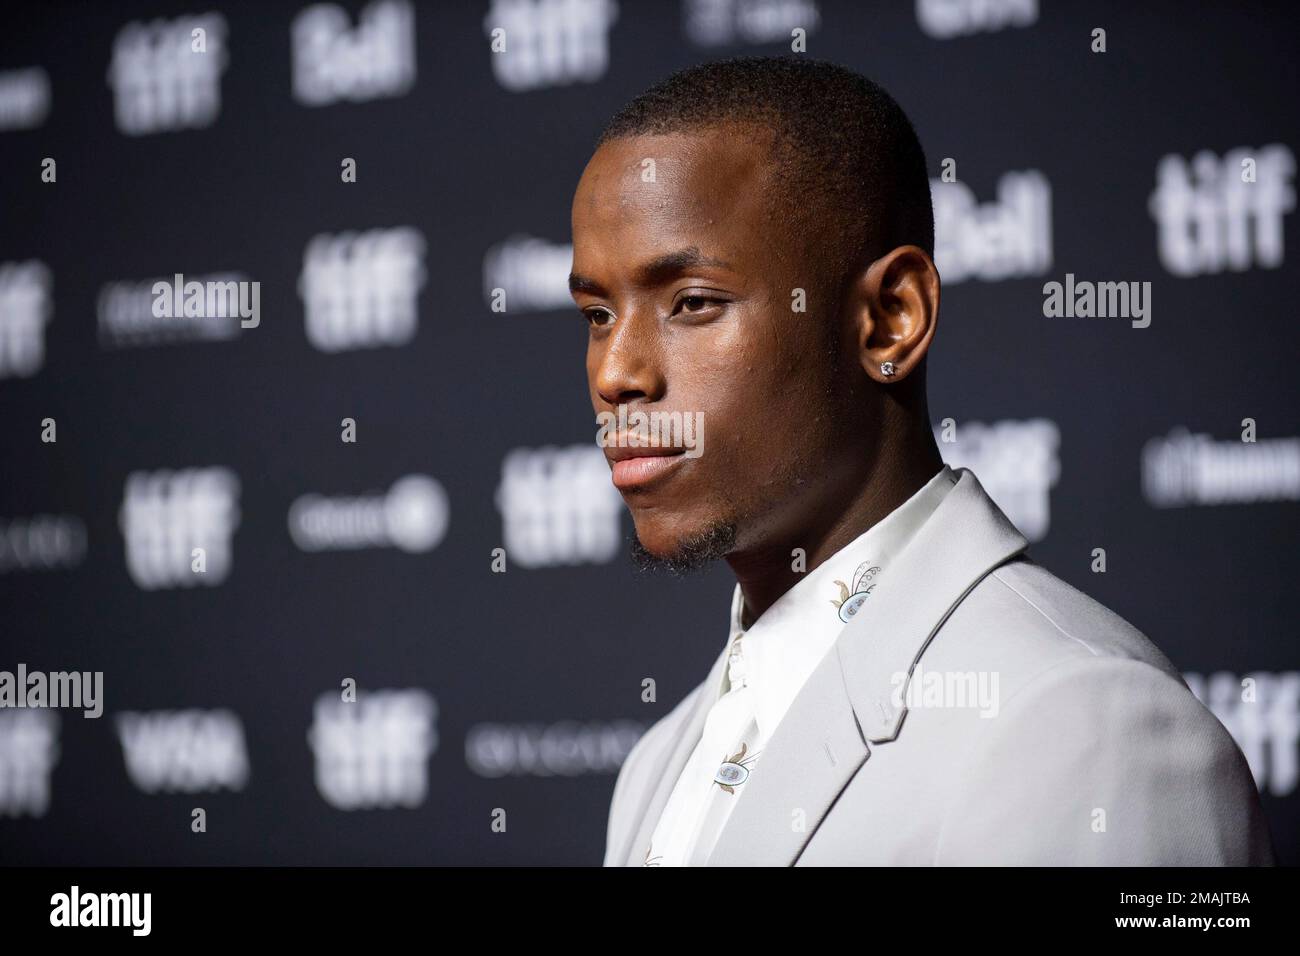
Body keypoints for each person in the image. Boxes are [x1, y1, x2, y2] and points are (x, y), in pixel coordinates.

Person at [567, 55, 1275, 866]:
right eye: (595, 312)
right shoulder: (661, 763)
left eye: (692, 303)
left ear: (891, 319)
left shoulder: (1082, 726)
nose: (616, 372)